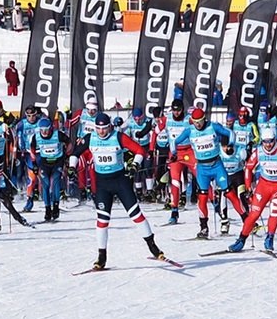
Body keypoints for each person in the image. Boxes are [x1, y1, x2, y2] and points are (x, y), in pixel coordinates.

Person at [77, 113, 169, 271]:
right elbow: (75, 152)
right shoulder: (90, 138)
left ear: (109, 127)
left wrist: (134, 165)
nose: (101, 132)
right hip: (102, 185)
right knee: (102, 221)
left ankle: (153, 246)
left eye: (104, 128)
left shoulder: (118, 137)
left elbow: (140, 150)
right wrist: (72, 167)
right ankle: (101, 256)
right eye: (98, 129)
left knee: (136, 215)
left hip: (120, 182)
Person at [173, 107, 242, 240]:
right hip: (202, 169)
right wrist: (174, 153)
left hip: (217, 165)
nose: (198, 124)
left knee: (230, 193)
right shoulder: (189, 130)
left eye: (200, 121)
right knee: (202, 198)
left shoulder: (213, 127)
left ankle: (247, 221)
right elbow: (175, 141)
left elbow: (231, 134)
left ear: (204, 118)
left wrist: (231, 145)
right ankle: (204, 228)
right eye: (195, 121)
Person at [228, 133, 277, 254]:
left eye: (270, 141)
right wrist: (248, 188)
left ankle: (270, 238)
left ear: (275, 140)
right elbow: (249, 167)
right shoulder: (258, 152)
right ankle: (241, 240)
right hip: (263, 186)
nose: (268, 145)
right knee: (254, 214)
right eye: (265, 142)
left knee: (274, 209)